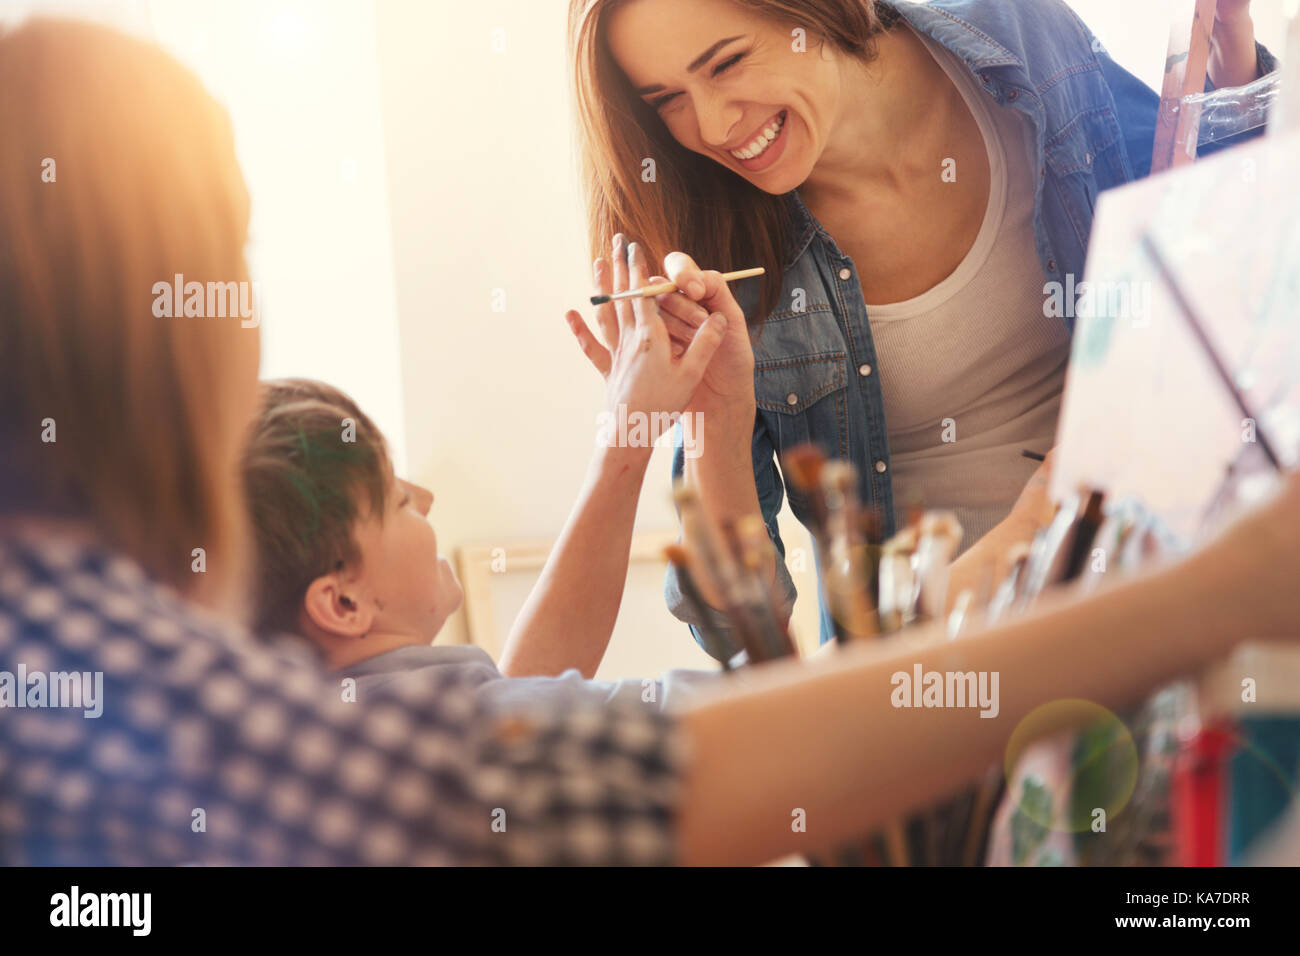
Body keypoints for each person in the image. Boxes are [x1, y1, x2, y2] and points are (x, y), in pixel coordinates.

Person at [3, 16, 1299, 868]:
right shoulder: (180, 707)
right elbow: (656, 758)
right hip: (1004, 674)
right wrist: (1211, 590)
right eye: (230, 260)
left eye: (727, 60)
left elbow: (530, 685)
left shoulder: (156, 668)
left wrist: (638, 435)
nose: (710, 120)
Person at [565, 0, 1278, 653]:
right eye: (667, 101)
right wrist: (706, 420)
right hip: (925, 690)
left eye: (726, 63)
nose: (715, 126)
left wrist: (1234, 85)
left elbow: (1208, 245)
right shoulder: (716, 241)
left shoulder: (1015, 38)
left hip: (1149, 595)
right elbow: (736, 631)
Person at [241, 377, 714, 710]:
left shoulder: (318, 728)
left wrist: (625, 435)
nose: (426, 500)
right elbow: (763, 724)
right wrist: (721, 414)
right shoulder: (479, 729)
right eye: (398, 498)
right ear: (343, 602)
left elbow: (523, 694)